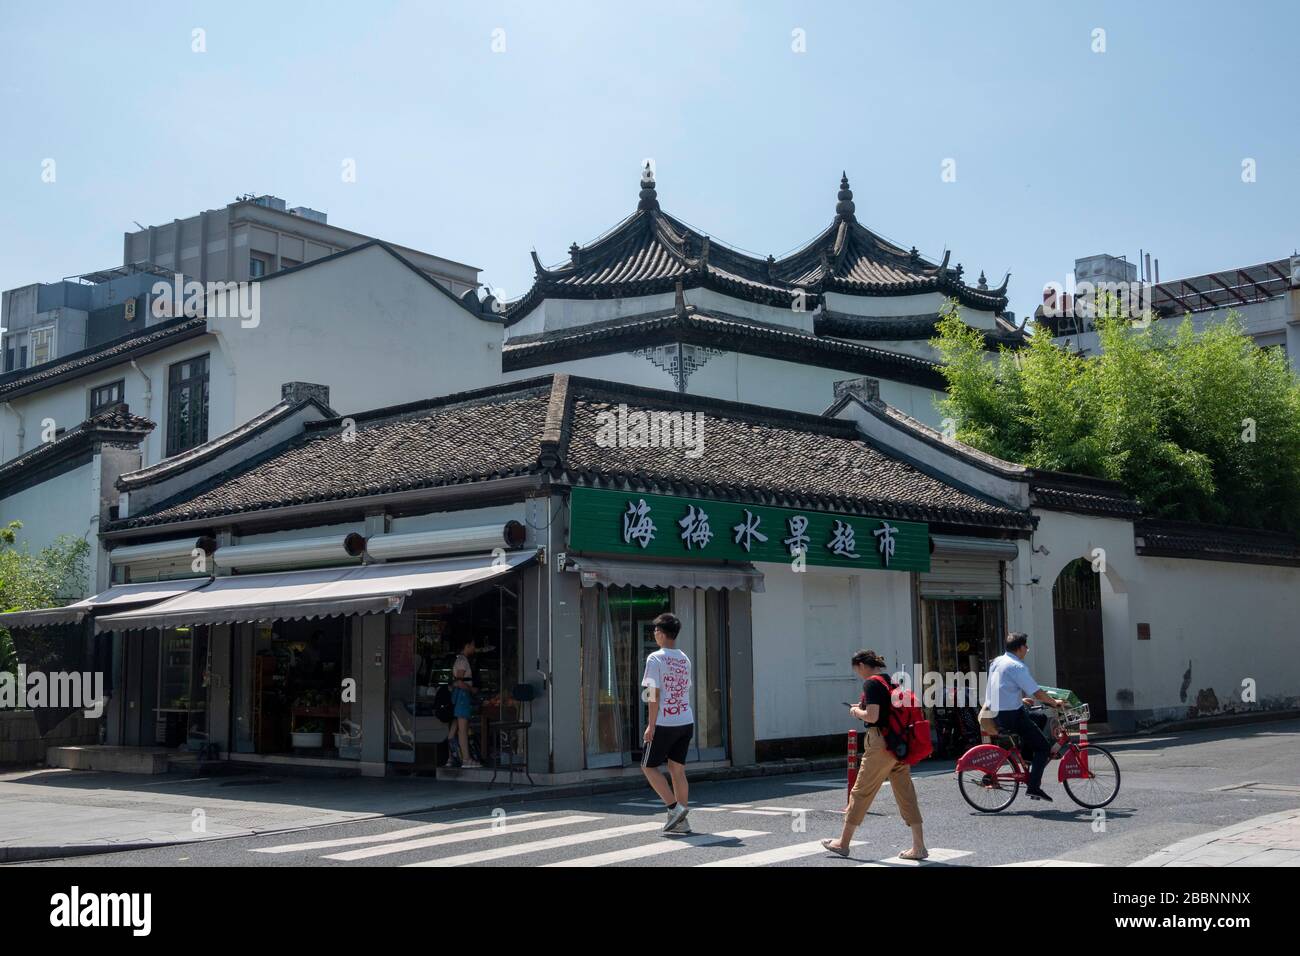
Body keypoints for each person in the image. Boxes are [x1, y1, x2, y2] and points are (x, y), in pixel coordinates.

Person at [824, 650, 927, 860]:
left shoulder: (871, 683)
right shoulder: (892, 682)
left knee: (861, 791)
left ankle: (843, 843)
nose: (858, 674)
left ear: (862, 665)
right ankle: (919, 847)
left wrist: (855, 712)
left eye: (857, 669)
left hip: (880, 744)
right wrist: (863, 707)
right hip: (898, 744)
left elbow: (872, 716)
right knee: (906, 794)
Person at [984, 632, 1068, 801]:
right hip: (1011, 715)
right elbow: (1036, 691)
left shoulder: (998, 661)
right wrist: (1053, 702)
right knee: (1043, 748)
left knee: (1039, 717)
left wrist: (1020, 699)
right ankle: (1034, 787)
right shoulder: (1017, 666)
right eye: (1026, 647)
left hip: (998, 712)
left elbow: (1000, 686)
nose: (1027, 649)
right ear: (1020, 648)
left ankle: (1027, 759)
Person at [640, 612, 694, 834]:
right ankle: (682, 822)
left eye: (655, 631)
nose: (654, 634)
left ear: (661, 633)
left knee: (648, 766)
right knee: (677, 769)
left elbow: (653, 694)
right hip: (685, 720)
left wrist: (651, 725)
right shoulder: (684, 658)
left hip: (664, 722)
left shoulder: (655, 658)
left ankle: (673, 809)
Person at [445, 638, 481, 769]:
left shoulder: (460, 660)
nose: (474, 648)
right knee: (463, 728)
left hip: (458, 697)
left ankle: (452, 757)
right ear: (467, 645)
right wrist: (472, 689)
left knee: (454, 729)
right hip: (462, 697)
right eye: (473, 645)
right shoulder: (462, 661)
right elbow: (459, 682)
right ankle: (466, 759)